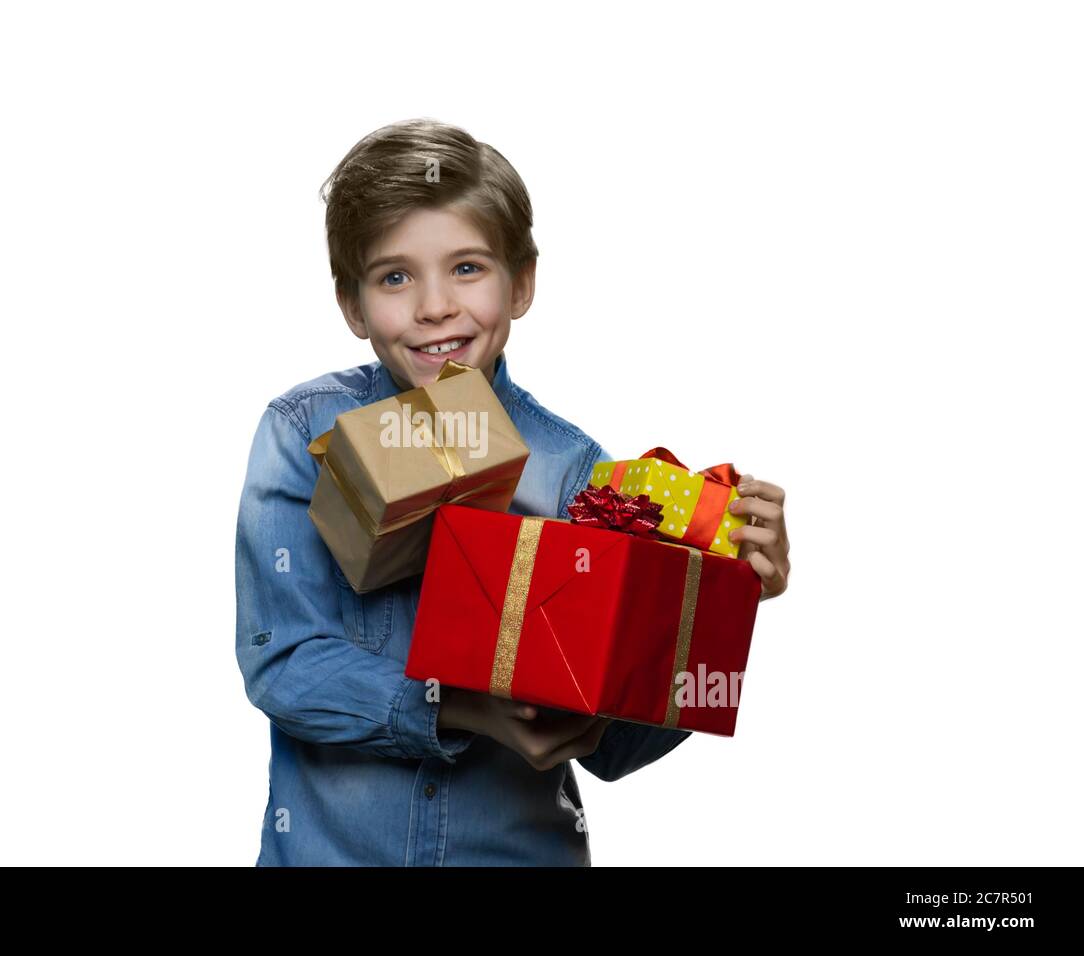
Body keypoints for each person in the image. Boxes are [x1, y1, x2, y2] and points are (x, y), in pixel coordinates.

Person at [234, 118, 792, 865]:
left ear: (521, 283)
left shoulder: (578, 475)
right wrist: (456, 705)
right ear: (352, 304)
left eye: (467, 268)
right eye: (395, 276)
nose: (435, 306)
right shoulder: (305, 432)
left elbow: (617, 747)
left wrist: (722, 600)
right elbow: (283, 662)